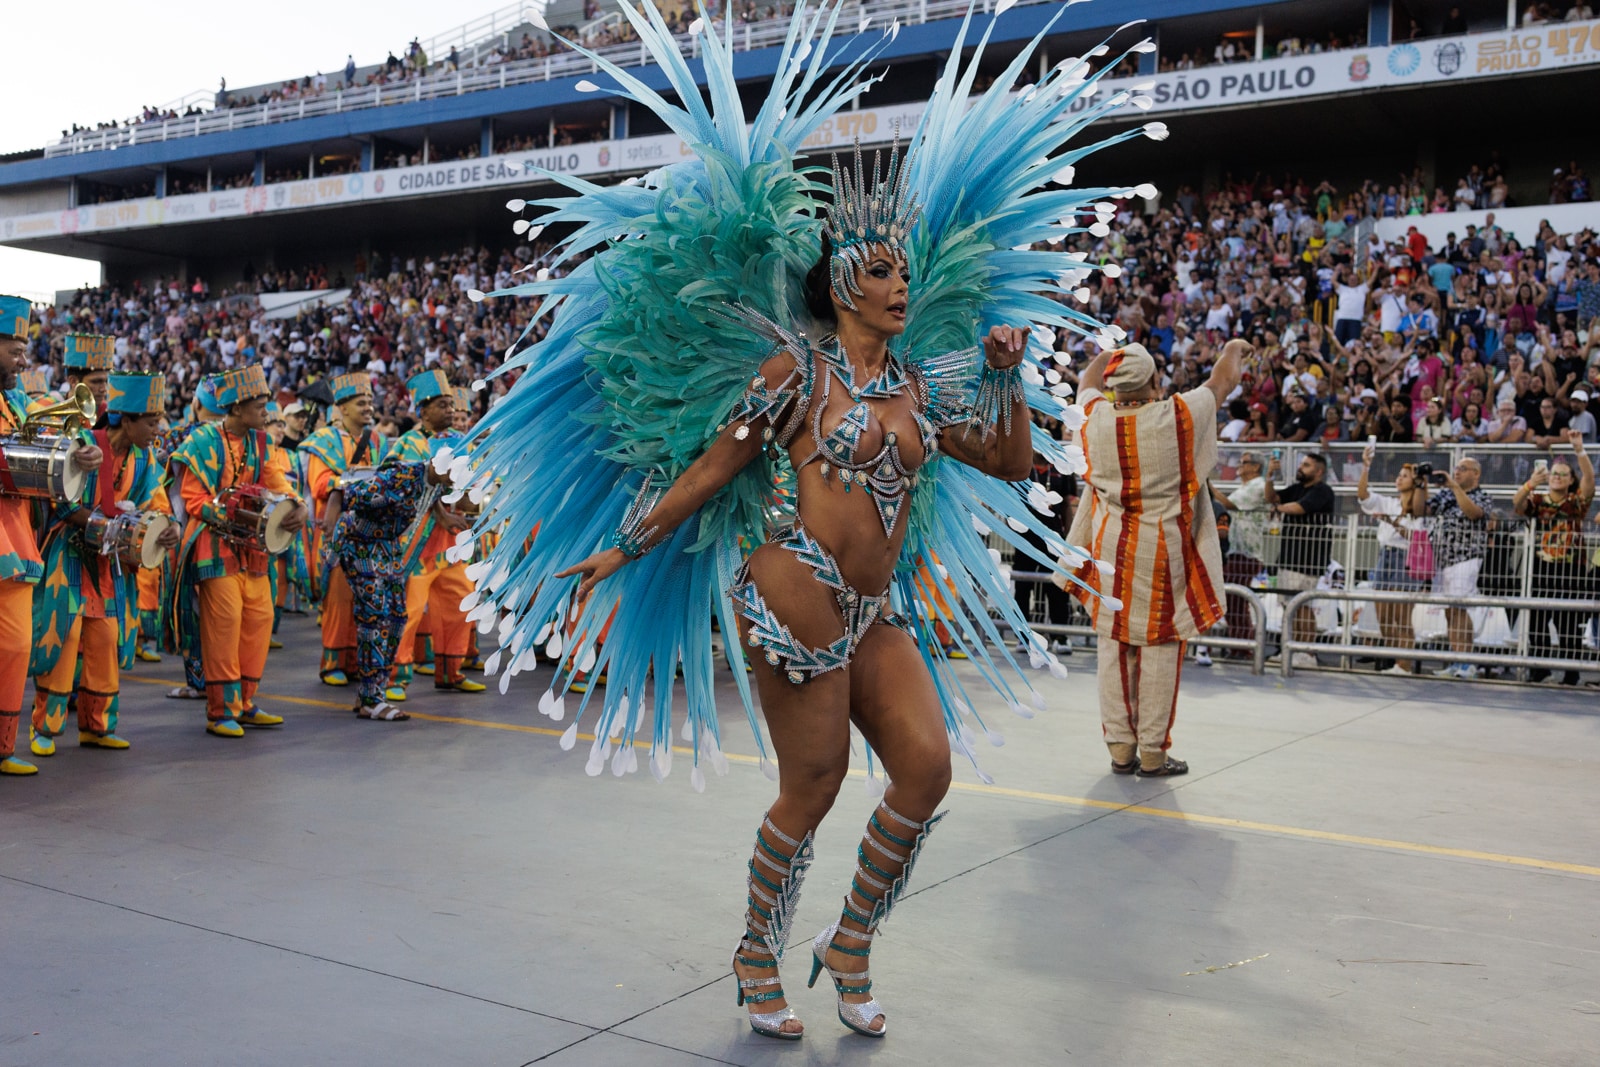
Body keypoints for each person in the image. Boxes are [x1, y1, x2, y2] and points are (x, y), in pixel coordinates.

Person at [1066, 340, 1244, 775]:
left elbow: (1085, 382)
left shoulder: (1094, 420)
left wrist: (1108, 355)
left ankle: (1120, 751)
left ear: (1114, 387)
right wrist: (1235, 348)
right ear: (1155, 381)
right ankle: (1152, 753)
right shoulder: (1178, 416)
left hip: (1109, 554)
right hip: (1163, 557)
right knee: (1161, 648)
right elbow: (1222, 382)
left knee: (1112, 646)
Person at [29, 373, 179, 756]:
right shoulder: (84, 445)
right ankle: (45, 727)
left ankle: (97, 726)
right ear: (126, 420)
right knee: (65, 640)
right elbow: (61, 501)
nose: (157, 429)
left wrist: (167, 527)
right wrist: (104, 525)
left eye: (159, 420)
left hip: (109, 563)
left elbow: (155, 502)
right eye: (151, 421)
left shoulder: (145, 458)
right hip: (70, 554)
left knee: (104, 640)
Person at [168, 365, 308, 736]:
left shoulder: (263, 444)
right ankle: (221, 711)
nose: (267, 413)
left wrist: (296, 504)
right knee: (224, 626)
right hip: (213, 547)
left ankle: (245, 702)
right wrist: (228, 513)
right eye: (261, 407)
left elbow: (277, 482)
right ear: (236, 408)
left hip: (253, 549)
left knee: (258, 622)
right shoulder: (201, 442)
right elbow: (192, 498)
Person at [0, 295, 103, 777]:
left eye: (24, 351)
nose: (24, 361)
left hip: (15, 536)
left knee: (17, 645)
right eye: (15, 350)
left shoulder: (19, 400)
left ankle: (3, 747)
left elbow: (44, 449)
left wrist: (78, 457)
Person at [331, 449, 453, 720]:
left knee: (397, 617)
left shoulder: (437, 482)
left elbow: (431, 499)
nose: (456, 480)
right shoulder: (402, 476)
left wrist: (444, 517)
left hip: (386, 546)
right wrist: (330, 525)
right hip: (359, 542)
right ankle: (371, 699)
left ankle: (372, 694)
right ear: (436, 463)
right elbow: (344, 492)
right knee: (375, 618)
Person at [386, 371, 483, 700]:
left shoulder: (459, 439)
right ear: (422, 410)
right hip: (417, 545)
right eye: (442, 405)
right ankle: (395, 679)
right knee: (409, 612)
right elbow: (394, 486)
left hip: (451, 544)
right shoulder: (407, 443)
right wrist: (439, 511)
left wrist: (471, 501)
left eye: (450, 404)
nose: (450, 410)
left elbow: (470, 484)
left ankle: (451, 672)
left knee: (460, 603)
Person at [299, 372, 387, 685]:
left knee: (365, 598)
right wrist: (356, 481)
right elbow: (319, 484)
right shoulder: (322, 442)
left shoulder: (377, 440)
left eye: (370, 401)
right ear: (343, 408)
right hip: (338, 530)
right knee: (337, 598)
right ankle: (332, 661)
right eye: (361, 402)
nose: (368, 407)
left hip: (371, 530)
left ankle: (357, 661)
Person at [1513, 431, 1595, 684]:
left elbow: (1590, 481)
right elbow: (1517, 504)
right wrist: (1530, 483)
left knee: (1567, 621)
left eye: (1563, 474)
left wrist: (1579, 450)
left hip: (1570, 568)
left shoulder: (1575, 502)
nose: (1557, 477)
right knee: (1537, 619)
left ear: (1571, 480)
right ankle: (1540, 667)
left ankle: (1571, 671)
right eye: (1554, 473)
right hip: (1541, 566)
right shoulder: (1538, 500)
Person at [1263, 451, 1335, 668]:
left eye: (1306, 465)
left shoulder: (1322, 491)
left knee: (1302, 605)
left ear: (1319, 471)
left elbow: (1300, 508)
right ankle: (1290, 647)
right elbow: (1271, 498)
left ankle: (1307, 652)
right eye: (1301, 464)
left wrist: (1278, 509)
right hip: (1288, 557)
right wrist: (1269, 476)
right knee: (1288, 606)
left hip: (1307, 559)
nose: (1300, 468)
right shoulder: (1296, 489)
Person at [1357, 448, 1424, 674]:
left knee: (1401, 615)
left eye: (1405, 476)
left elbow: (1416, 538)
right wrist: (1366, 466)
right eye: (1399, 475)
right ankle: (1394, 658)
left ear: (1415, 482)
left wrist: (1393, 523)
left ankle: (1404, 664)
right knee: (1383, 615)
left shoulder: (1421, 508)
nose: (1399, 478)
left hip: (1405, 558)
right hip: (1384, 555)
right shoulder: (1388, 503)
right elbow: (1363, 495)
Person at [1424, 456, 1492, 679]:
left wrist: (1454, 487)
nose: (1458, 472)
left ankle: (1467, 662)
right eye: (1456, 468)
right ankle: (1456, 659)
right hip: (1442, 559)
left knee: (1460, 609)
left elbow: (1473, 513)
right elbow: (1422, 510)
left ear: (1476, 474)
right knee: (1449, 611)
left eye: (1463, 469)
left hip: (1467, 558)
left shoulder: (1481, 496)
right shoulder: (1444, 494)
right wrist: (1420, 484)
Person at [1210, 451, 1269, 645]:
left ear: (1256, 467)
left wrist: (1207, 486)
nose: (1239, 465)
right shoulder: (1245, 486)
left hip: (1246, 551)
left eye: (1244, 462)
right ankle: (1238, 644)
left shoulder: (1258, 485)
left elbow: (1228, 505)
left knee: (1236, 600)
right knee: (1232, 600)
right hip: (1236, 550)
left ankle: (1244, 645)